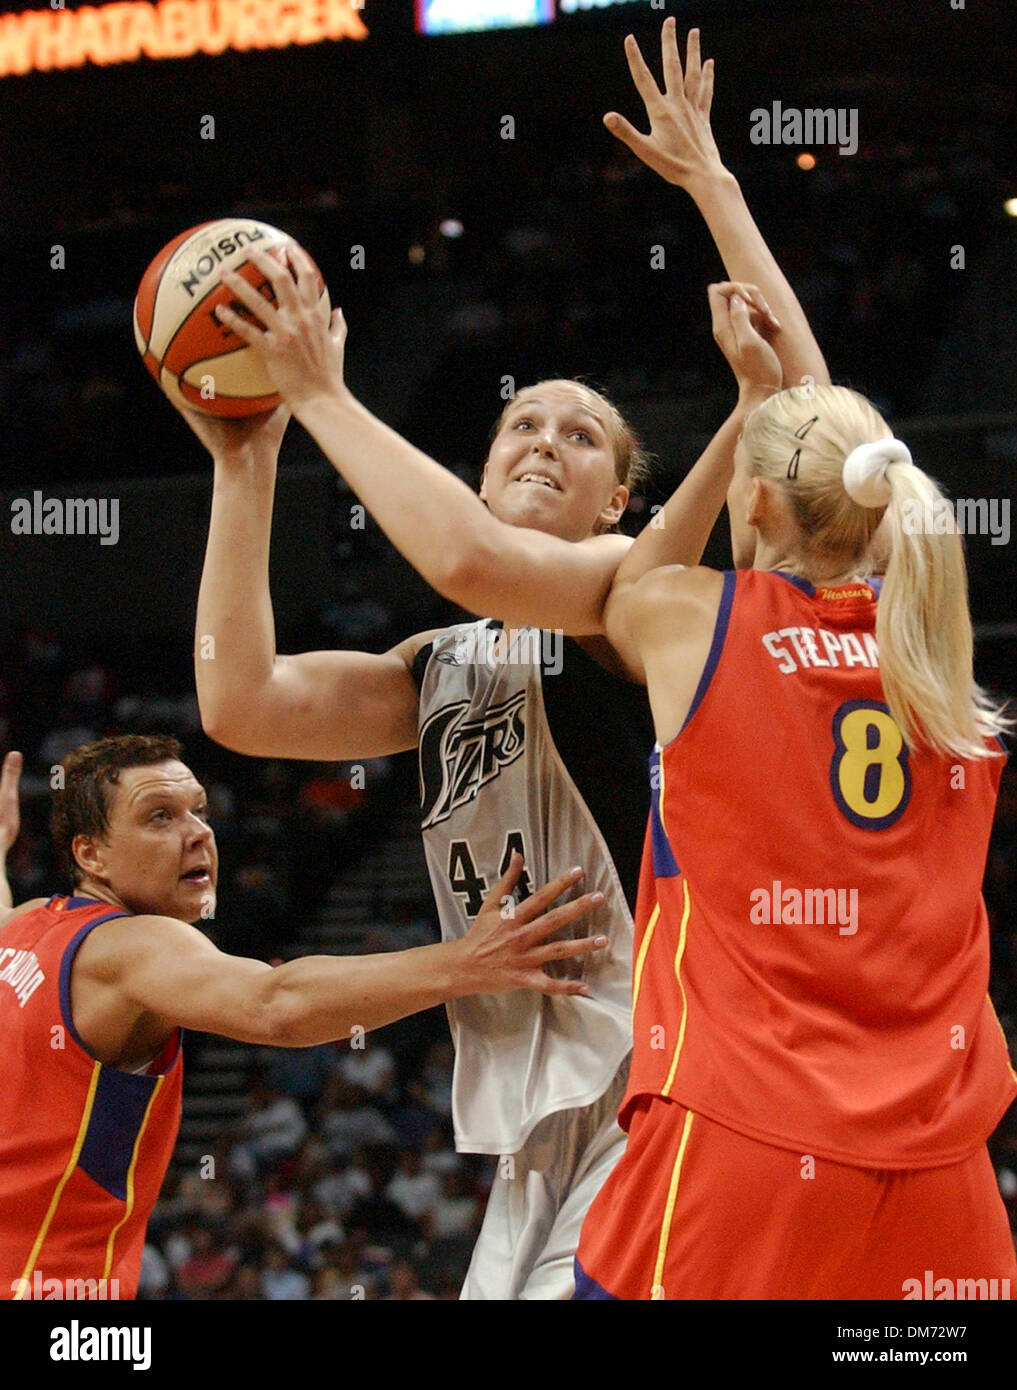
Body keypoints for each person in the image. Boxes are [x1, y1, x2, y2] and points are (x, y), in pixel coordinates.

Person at [188, 23, 829, 1299]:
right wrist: (243, 465)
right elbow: (240, 701)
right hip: (533, 1126)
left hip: (666, 1076)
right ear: (483, 463)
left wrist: (717, 189)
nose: (544, 437)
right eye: (520, 421)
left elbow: (801, 409)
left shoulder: (629, 594)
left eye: (582, 433)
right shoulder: (439, 660)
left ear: (616, 503)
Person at [568, 377, 1017, 1298]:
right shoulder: (938, 667)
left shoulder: (698, 618)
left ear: (757, 499)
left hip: (745, 1132)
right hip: (943, 1166)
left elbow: (608, 593)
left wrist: (743, 397)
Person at [0, 736, 605, 1301]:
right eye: (160, 817)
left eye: (200, 811)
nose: (198, 834)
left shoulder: (24, 926)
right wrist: (467, 963)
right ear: (91, 853)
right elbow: (274, 1003)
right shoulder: (129, 946)